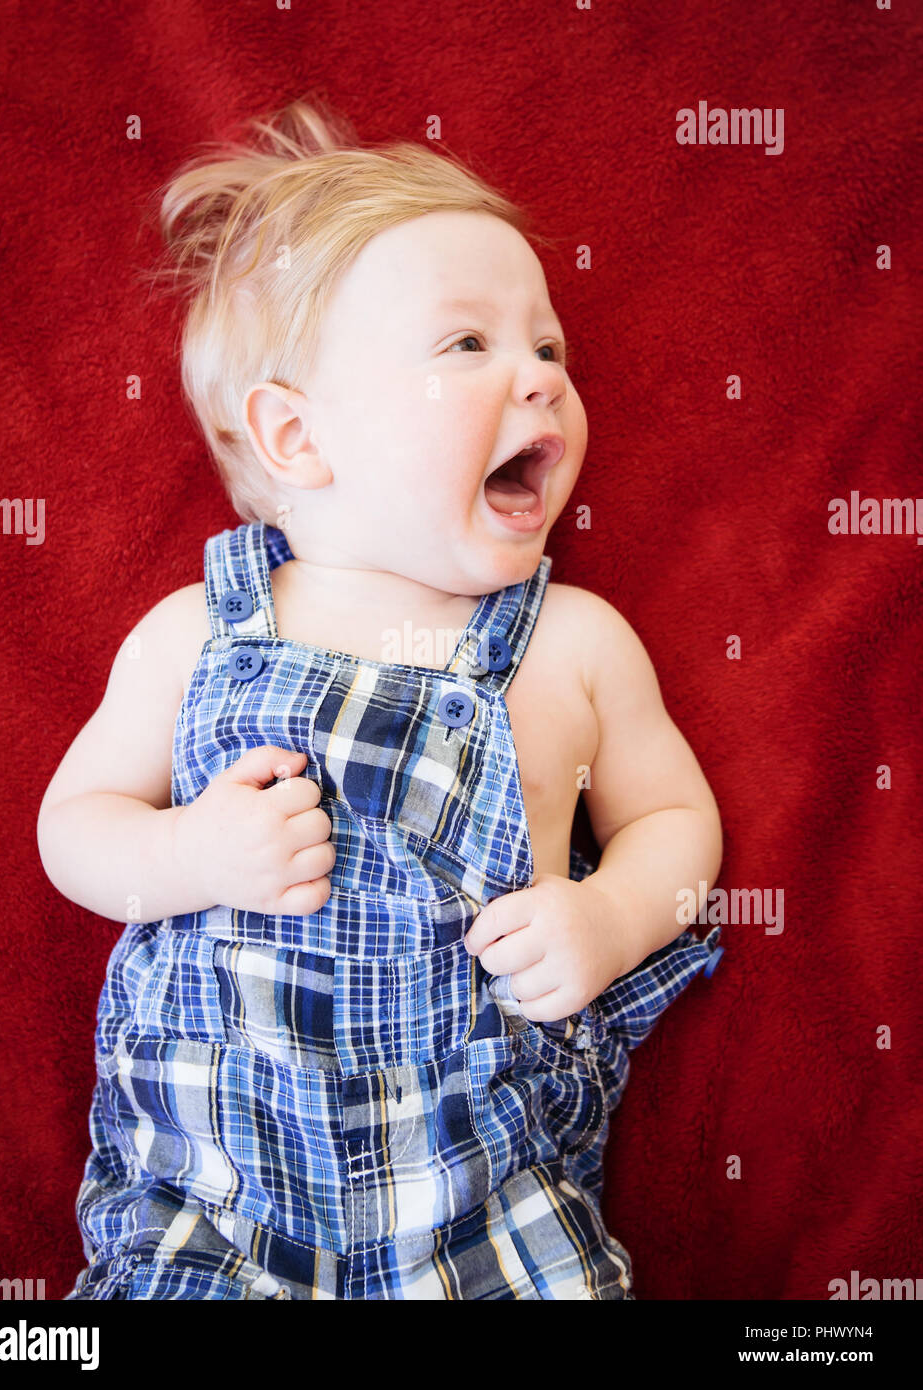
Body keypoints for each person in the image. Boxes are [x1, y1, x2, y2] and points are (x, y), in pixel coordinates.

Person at [37, 98, 724, 1300]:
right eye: (468, 346)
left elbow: (679, 826)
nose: (540, 380)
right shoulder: (200, 630)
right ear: (296, 437)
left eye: (550, 348)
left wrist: (610, 915)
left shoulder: (570, 640)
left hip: (481, 1199)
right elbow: (72, 825)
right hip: (215, 1203)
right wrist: (194, 851)